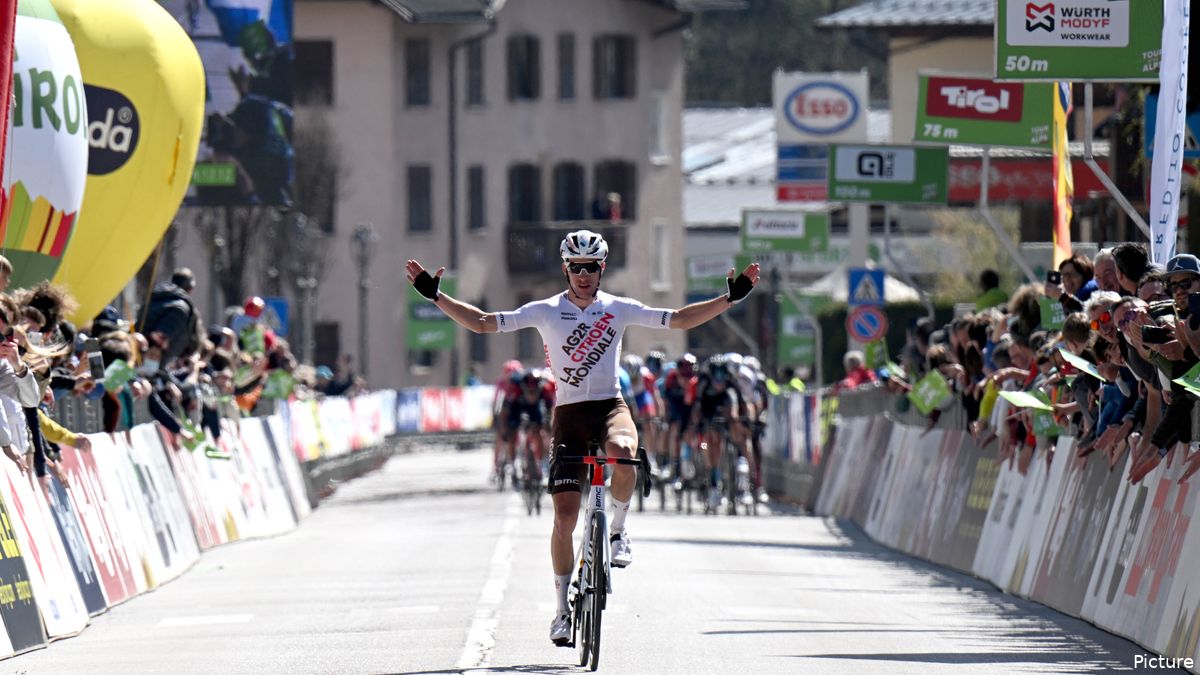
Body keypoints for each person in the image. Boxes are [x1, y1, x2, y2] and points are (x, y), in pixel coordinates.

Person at [406, 229, 759, 645]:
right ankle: (560, 613)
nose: (584, 275)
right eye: (577, 268)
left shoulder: (619, 308)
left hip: (610, 405)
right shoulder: (545, 310)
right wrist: (435, 296)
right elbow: (483, 324)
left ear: (601, 269)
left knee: (625, 451)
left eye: (592, 267)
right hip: (569, 415)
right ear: (566, 269)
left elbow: (679, 318)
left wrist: (731, 299)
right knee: (564, 519)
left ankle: (618, 529)